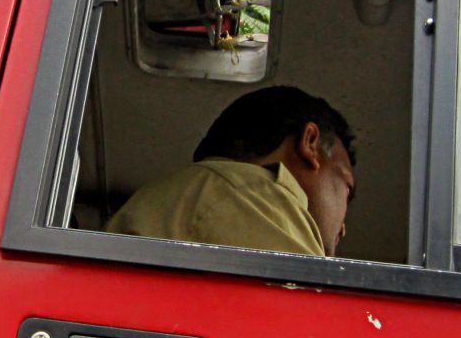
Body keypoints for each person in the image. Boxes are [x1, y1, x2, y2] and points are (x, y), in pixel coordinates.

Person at [106, 85, 356, 257]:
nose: (343, 229)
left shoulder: (195, 193)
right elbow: (302, 313)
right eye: (347, 188)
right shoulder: (250, 194)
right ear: (310, 143)